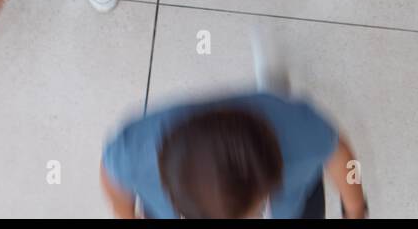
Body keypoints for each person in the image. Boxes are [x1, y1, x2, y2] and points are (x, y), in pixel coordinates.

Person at [100, 34, 367, 218]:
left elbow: (341, 156)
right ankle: (271, 90)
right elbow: (111, 176)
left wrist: (355, 208)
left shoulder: (302, 131)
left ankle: (272, 90)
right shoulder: (132, 152)